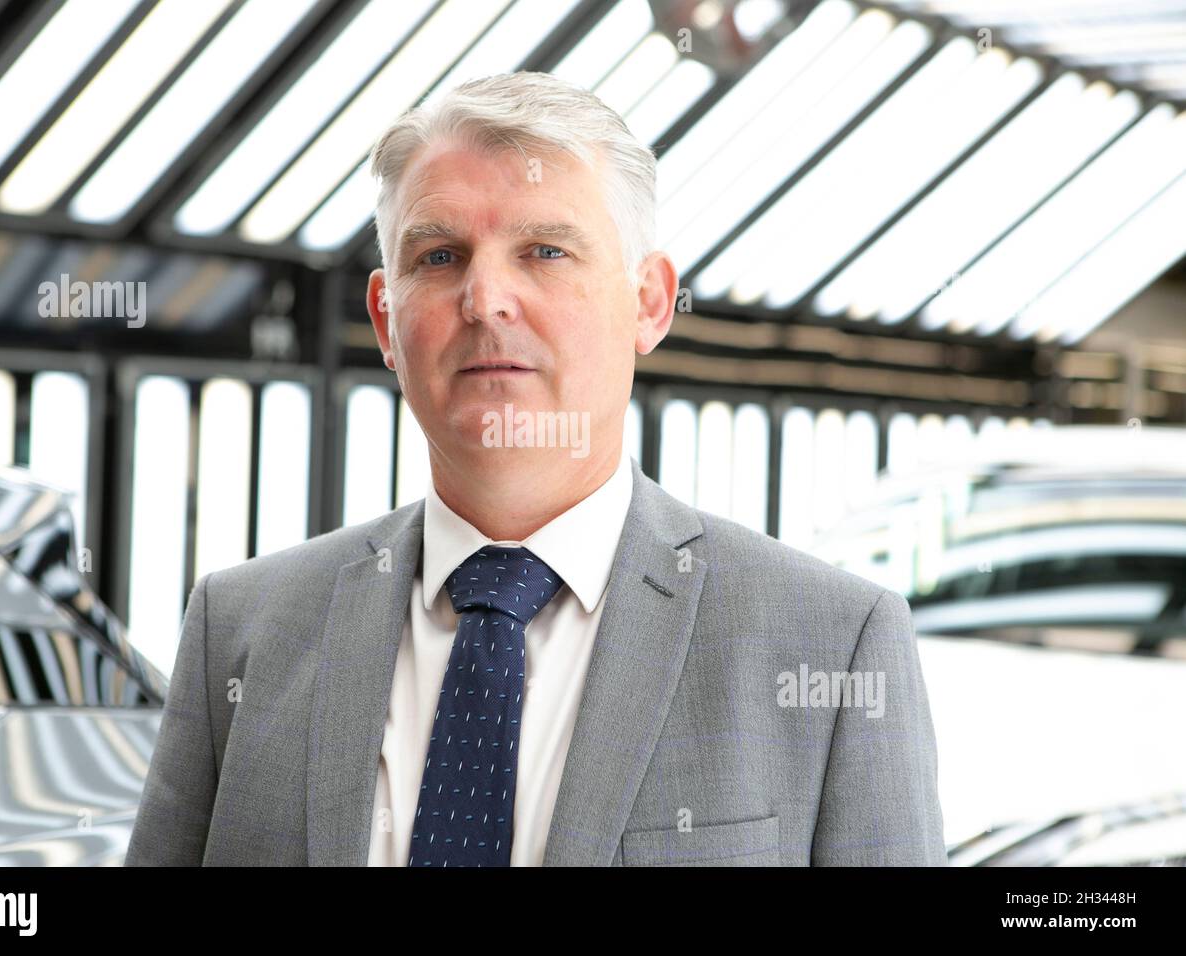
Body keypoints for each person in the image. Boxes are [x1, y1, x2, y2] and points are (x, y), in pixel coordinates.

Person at [126, 71, 945, 867]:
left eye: (545, 251)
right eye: (440, 257)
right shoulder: (240, 631)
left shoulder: (831, 645)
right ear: (385, 318)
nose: (485, 299)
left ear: (651, 302)